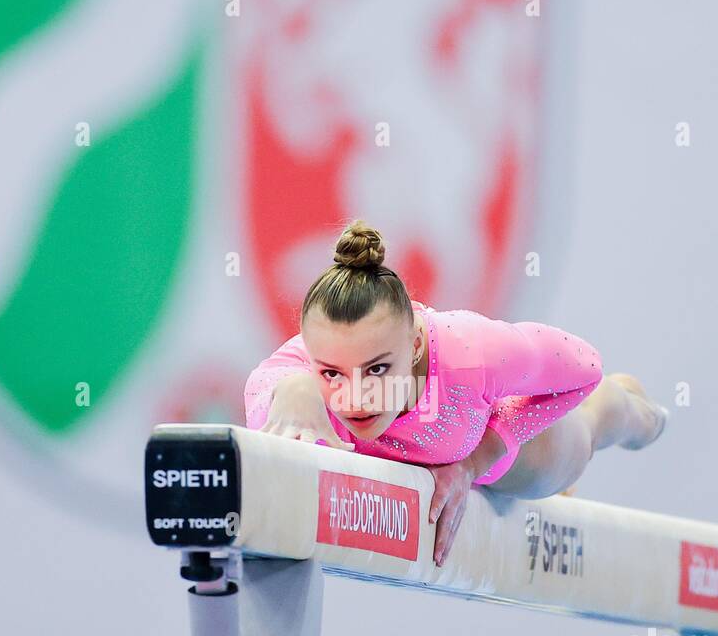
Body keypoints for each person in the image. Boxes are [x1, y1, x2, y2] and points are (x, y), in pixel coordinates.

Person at [244, 220, 667, 567]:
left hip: (516, 455)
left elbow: (585, 367)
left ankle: (633, 410)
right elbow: (264, 395)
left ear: (413, 346)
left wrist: (472, 462)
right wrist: (295, 390)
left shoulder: (469, 352)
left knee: (596, 424)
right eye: (332, 373)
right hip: (457, 452)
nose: (355, 397)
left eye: (377, 369)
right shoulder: (297, 374)